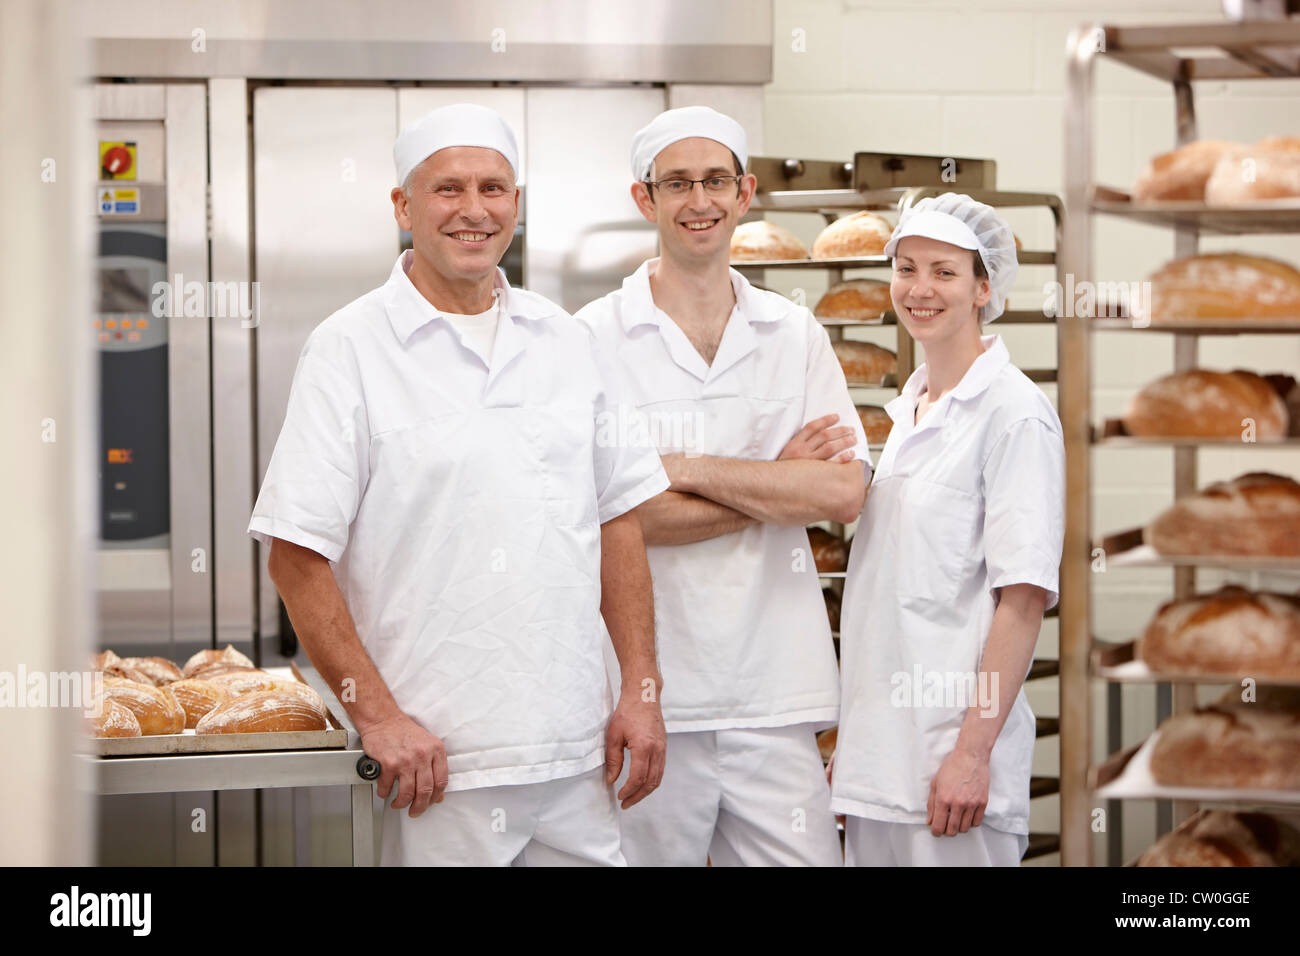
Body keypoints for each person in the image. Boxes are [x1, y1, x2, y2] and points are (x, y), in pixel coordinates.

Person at [248, 104, 670, 866]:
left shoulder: (568, 341)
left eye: (494, 188)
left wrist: (640, 690)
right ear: (403, 207)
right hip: (435, 768)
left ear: (516, 203)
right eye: (447, 189)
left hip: (578, 758)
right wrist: (376, 717)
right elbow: (295, 555)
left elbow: (618, 523)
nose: (474, 210)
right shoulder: (350, 350)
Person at [576, 106, 871, 866]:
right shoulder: (592, 338)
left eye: (715, 181)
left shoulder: (792, 331)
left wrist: (681, 469)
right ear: (645, 199)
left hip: (778, 694)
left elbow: (841, 495)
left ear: (745, 194)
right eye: (677, 183)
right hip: (646, 700)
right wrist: (777, 482)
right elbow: (621, 515)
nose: (698, 200)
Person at [829, 193, 1065, 866]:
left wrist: (971, 753)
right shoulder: (909, 410)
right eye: (905, 268)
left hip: (950, 771)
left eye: (944, 271)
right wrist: (855, 754)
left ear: (983, 287)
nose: (919, 289)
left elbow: (1022, 600)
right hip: (881, 769)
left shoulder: (1014, 414)